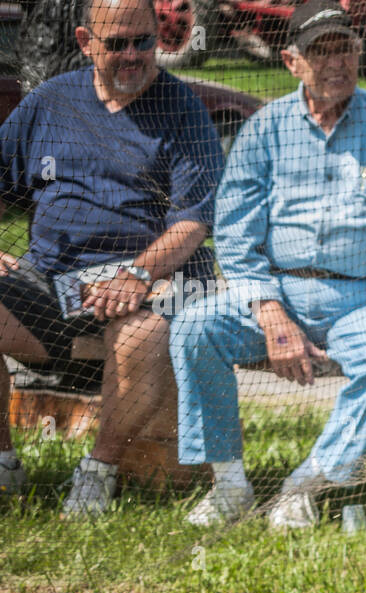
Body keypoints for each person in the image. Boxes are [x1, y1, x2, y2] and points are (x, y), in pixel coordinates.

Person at [170, 0, 366, 529]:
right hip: (277, 291)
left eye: (345, 48)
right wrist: (269, 311)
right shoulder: (264, 129)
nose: (336, 63)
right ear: (292, 62)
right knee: (194, 325)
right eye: (320, 51)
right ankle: (231, 486)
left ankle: (307, 483)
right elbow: (236, 235)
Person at [0, 0, 221, 515]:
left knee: (144, 331)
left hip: (157, 277)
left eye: (143, 42)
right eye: (116, 43)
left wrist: (139, 272)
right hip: (53, 279)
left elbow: (194, 220)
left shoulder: (183, 109)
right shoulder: (50, 102)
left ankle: (98, 471)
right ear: (84, 42)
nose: (132, 55)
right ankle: (5, 465)